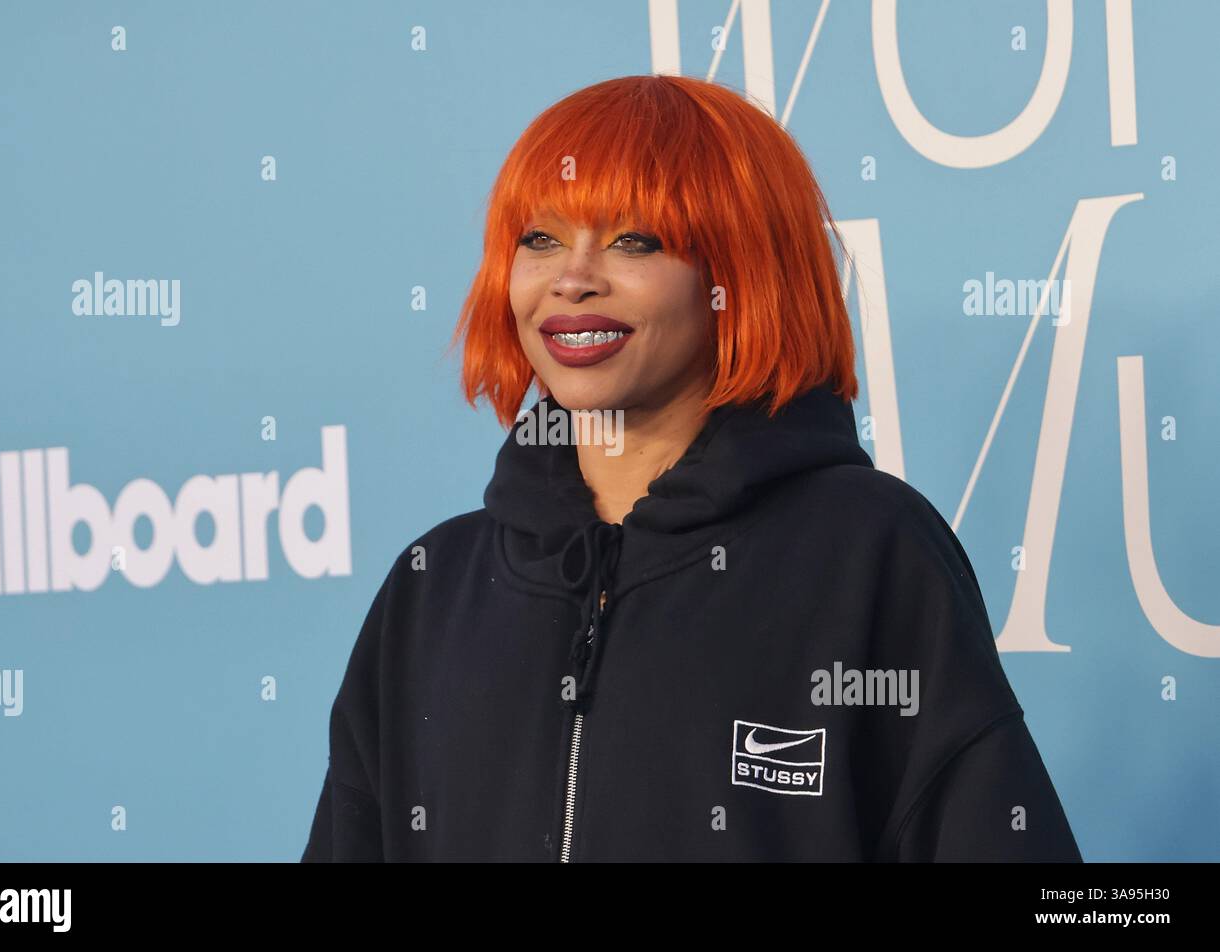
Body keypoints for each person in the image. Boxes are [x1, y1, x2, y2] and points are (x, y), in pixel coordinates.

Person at [300, 74, 1082, 862]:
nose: (572, 278)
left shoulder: (869, 550)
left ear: (738, 276)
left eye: (633, 240)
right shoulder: (434, 584)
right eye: (539, 239)